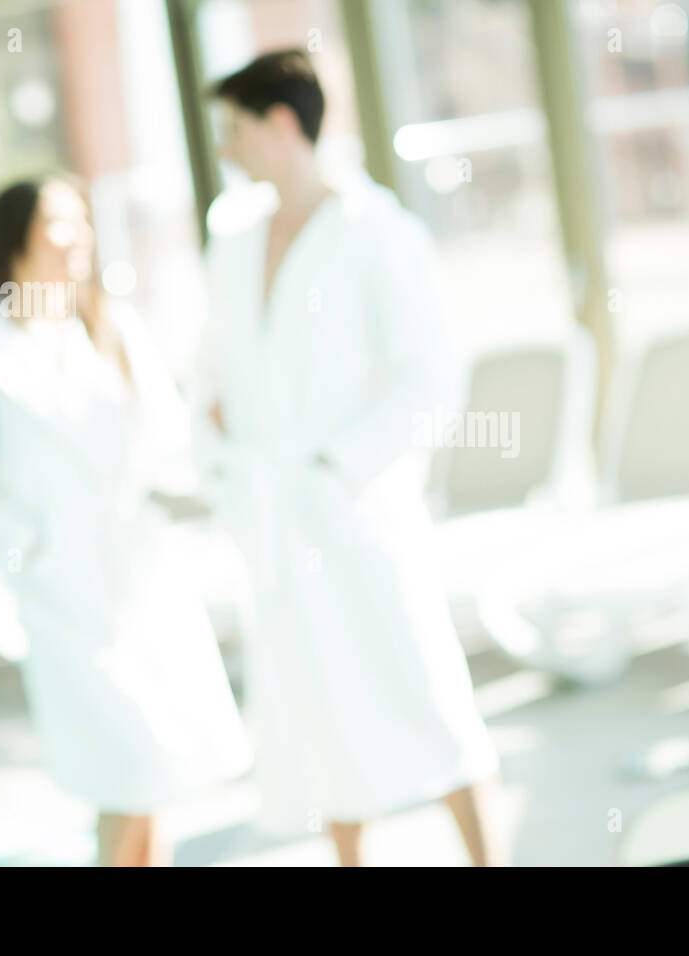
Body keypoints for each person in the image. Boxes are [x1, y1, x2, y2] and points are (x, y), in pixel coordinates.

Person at [194, 49, 505, 866]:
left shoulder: (380, 235)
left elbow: (431, 377)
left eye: (235, 129)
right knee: (314, 717)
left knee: (427, 698)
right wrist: (216, 428)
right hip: (271, 519)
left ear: (282, 124)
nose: (225, 148)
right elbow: (219, 365)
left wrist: (340, 471)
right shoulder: (232, 241)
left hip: (357, 511)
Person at [0, 175, 252, 866]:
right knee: (128, 758)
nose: (79, 237)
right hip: (59, 590)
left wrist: (219, 423)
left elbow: (167, 442)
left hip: (138, 579)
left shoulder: (109, 325)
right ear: (16, 237)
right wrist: (29, 545)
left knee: (152, 768)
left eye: (83, 221)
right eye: (59, 223)